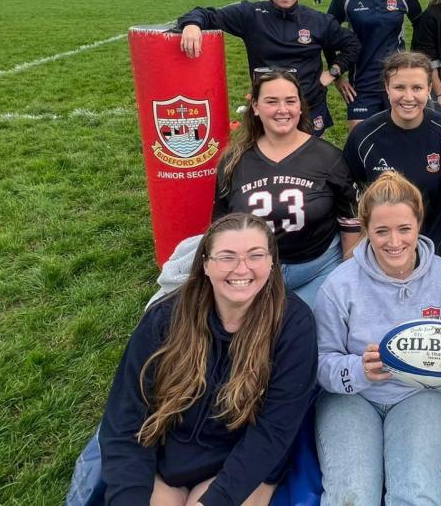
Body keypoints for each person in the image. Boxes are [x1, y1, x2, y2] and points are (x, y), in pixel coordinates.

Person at [99, 213, 318, 506]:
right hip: (166, 458)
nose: (242, 269)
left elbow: (274, 431)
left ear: (271, 262)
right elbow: (125, 417)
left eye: (255, 256)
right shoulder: (165, 318)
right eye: (227, 257)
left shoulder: (293, 325)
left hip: (239, 464)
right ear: (205, 264)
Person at [314, 171, 441, 506]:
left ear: (418, 225)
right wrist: (357, 369)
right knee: (351, 496)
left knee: (416, 493)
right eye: (381, 231)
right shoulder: (340, 285)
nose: (394, 241)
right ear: (366, 229)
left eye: (404, 229)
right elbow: (320, 362)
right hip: (351, 398)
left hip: (421, 394)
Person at [212, 69, 362, 304]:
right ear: (255, 107)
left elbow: (351, 219)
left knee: (317, 335)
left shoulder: (328, 157)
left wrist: (349, 274)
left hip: (316, 268)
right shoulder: (233, 161)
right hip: (251, 272)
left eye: (290, 101)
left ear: (300, 107)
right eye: (271, 102)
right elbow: (221, 225)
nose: (283, 110)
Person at [177, 0, 361, 136]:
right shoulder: (250, 15)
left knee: (307, 164)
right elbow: (206, 14)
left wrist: (333, 72)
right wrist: (192, 24)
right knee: (269, 162)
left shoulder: (318, 20)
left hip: (309, 108)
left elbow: (353, 44)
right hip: (268, 112)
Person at [344, 51, 441, 254]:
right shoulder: (364, 135)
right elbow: (350, 197)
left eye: (417, 88)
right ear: (387, 88)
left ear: (428, 89)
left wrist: (433, 253)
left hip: (432, 247)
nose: (408, 97)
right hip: (381, 247)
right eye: (399, 87)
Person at [327, 0, 423, 130]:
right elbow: (327, 33)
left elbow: (422, 26)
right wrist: (337, 75)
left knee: (400, 142)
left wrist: (414, 63)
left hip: (398, 83)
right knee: (361, 144)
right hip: (360, 85)